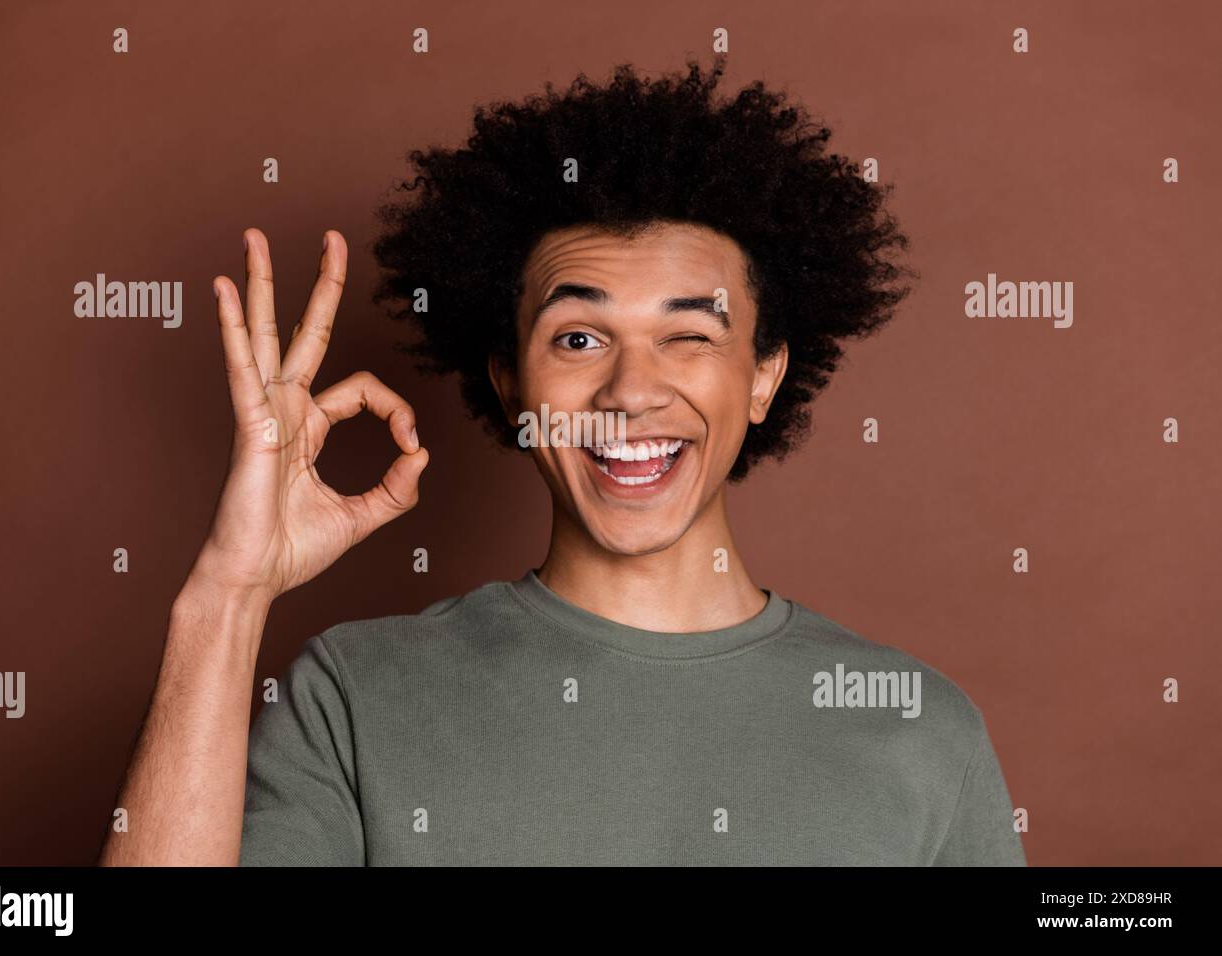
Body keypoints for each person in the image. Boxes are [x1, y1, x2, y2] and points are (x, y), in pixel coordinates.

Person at [100, 57, 1025, 866]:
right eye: (579, 337)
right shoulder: (356, 697)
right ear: (509, 384)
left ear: (764, 378)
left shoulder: (916, 728)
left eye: (690, 336)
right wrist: (228, 596)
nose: (632, 391)